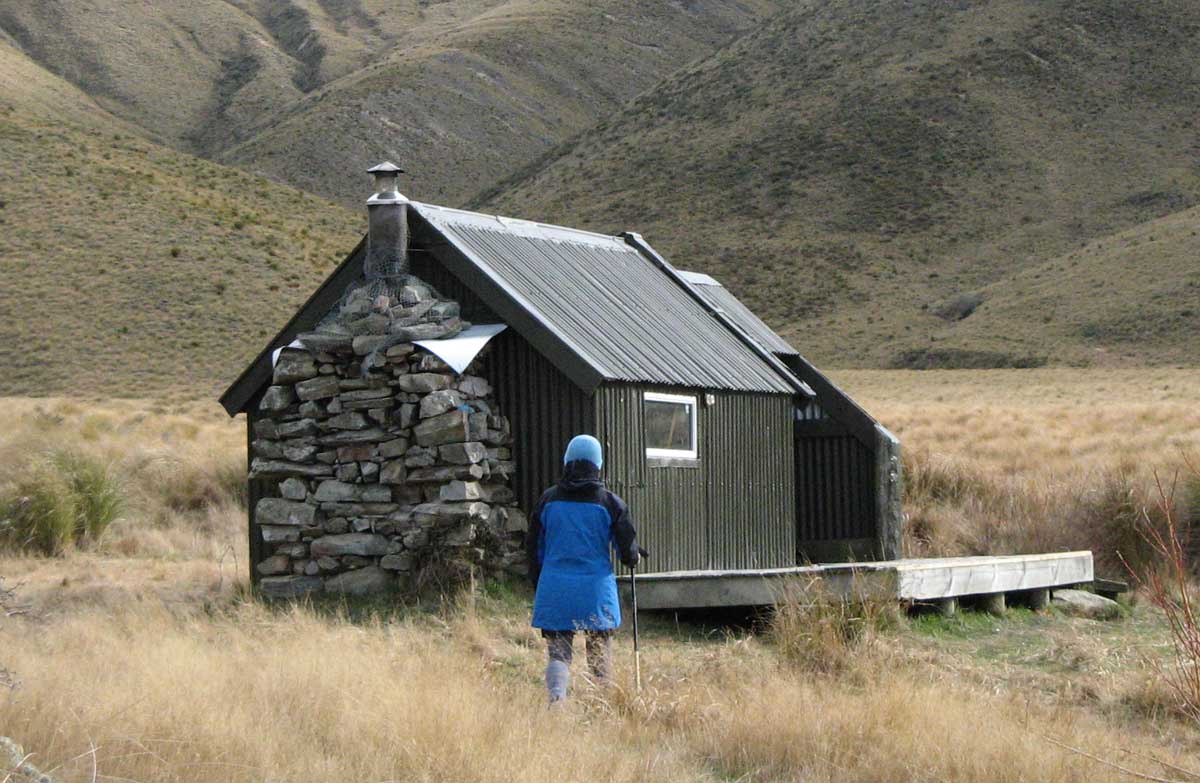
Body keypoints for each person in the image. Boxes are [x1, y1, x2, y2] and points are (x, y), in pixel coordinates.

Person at [527, 434, 641, 703]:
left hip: (556, 587)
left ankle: (556, 702)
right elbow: (627, 552)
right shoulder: (611, 503)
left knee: (559, 653)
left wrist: (539, 584)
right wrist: (634, 554)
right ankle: (602, 703)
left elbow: (533, 549)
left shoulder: (547, 500)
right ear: (598, 465)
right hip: (596, 591)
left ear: (567, 462)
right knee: (599, 648)